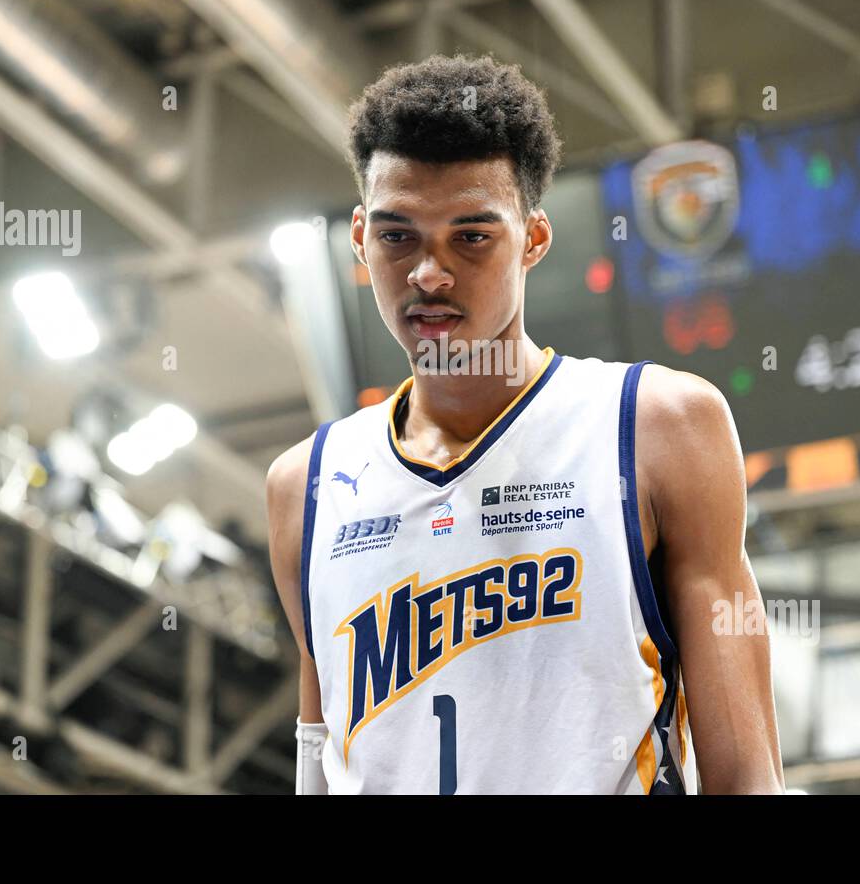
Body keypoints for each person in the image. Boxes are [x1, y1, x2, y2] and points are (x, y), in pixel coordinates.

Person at [266, 54, 783, 794]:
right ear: (359, 237)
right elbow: (319, 759)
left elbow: (747, 774)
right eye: (397, 237)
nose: (430, 274)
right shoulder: (304, 485)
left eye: (471, 236)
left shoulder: (660, 427)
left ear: (534, 238)